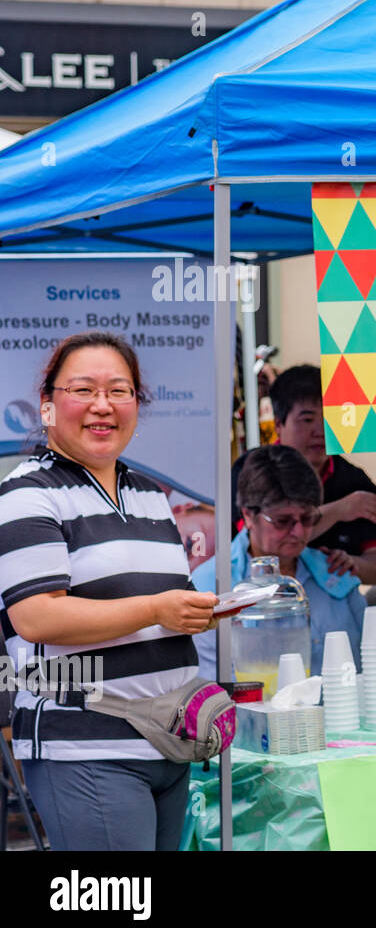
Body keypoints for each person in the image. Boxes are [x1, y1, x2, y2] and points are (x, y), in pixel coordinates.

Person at [0, 332, 217, 850]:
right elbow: (37, 617)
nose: (103, 406)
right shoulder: (27, 494)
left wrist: (196, 611)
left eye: (120, 391)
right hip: (86, 746)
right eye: (83, 390)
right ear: (48, 406)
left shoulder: (147, 493)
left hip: (169, 739)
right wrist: (157, 609)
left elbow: (161, 605)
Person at [195, 444, 365, 679]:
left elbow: (370, 662)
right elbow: (208, 688)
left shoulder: (333, 571)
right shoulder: (212, 584)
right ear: (248, 515)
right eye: (282, 521)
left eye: (307, 518)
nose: (297, 531)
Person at [231, 364, 376, 585]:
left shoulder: (356, 482)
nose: (321, 430)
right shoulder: (252, 470)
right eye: (307, 420)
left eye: (329, 419)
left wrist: (353, 565)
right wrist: (338, 511)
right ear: (279, 424)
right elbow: (253, 543)